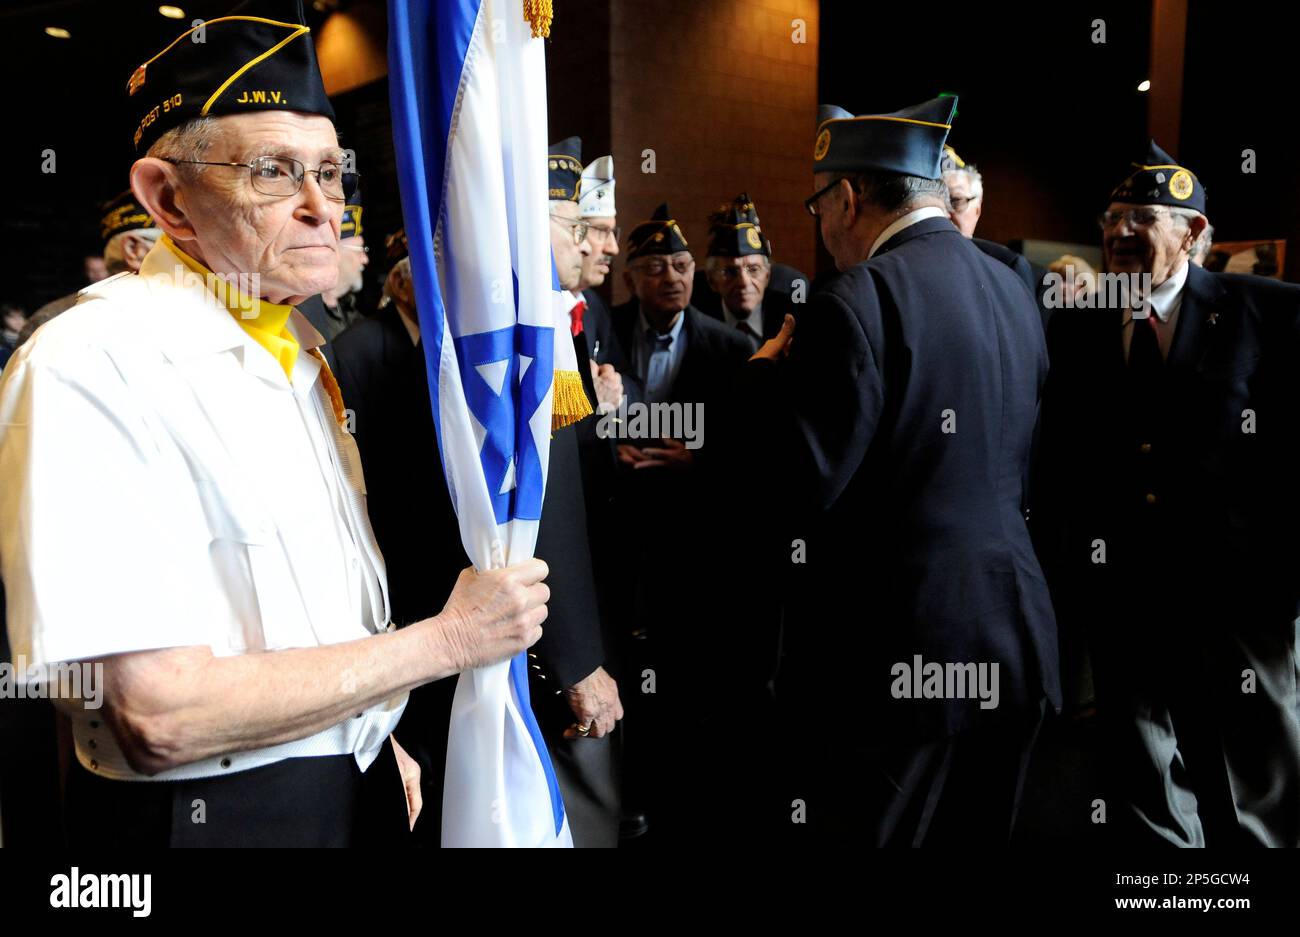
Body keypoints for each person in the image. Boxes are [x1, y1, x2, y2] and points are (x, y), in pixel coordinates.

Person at [0, 2, 549, 848]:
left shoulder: (293, 352)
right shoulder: (90, 362)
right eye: (273, 172)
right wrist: (447, 641)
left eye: (331, 173)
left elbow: (306, 618)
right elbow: (160, 713)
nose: (322, 207)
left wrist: (370, 738)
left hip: (350, 783)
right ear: (168, 199)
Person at [749, 96, 1060, 844]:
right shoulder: (1012, 284)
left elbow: (798, 488)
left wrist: (760, 384)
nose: (821, 229)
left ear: (847, 198)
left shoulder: (857, 298)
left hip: (900, 651)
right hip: (1015, 630)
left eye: (819, 205)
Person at [328, 137, 625, 848]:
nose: (590, 242)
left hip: (540, 619)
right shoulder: (483, 325)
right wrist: (577, 656)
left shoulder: (555, 318)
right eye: (573, 224)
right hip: (478, 622)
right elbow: (528, 498)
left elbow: (568, 486)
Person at [1033, 141, 1300, 846]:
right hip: (1125, 597)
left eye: (1144, 217)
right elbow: (1061, 460)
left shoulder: (1269, 314)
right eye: (1112, 217)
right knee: (1144, 782)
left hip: (1242, 600)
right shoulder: (1080, 325)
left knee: (1256, 789)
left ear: (1195, 233)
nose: (1120, 232)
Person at [18, 191, 162, 349]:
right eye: (174, 246)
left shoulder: (46, 321)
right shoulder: (49, 325)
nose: (190, 258)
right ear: (133, 249)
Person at [701, 193, 793, 353]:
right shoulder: (695, 327)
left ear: (767, 275)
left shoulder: (790, 319)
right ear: (711, 280)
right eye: (730, 271)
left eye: (753, 269)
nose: (743, 282)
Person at [299, 186, 367, 341]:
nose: (365, 259)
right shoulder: (301, 315)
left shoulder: (353, 313)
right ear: (333, 252)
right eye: (360, 250)